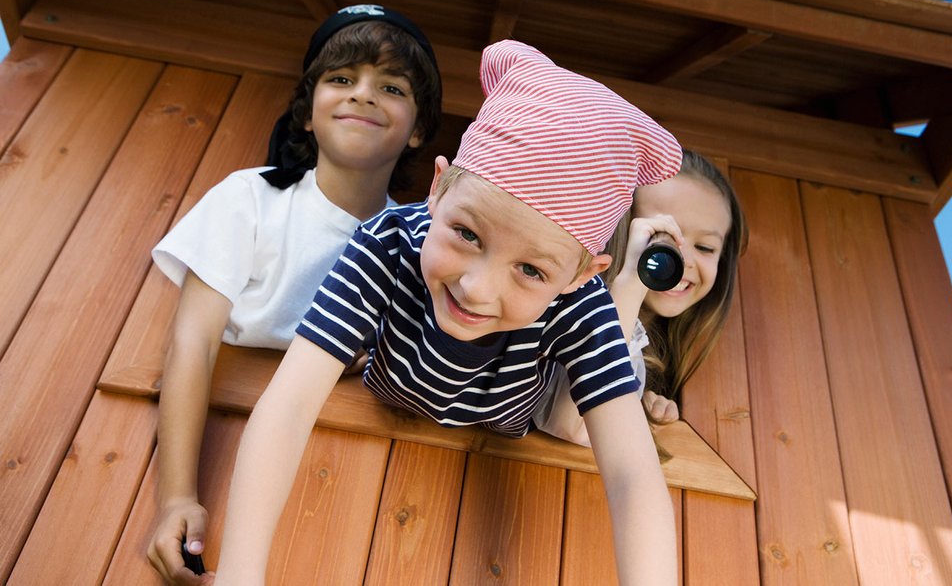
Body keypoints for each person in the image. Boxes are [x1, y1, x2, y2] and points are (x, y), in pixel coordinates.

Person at [212, 40, 683, 585]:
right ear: (437, 189)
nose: (476, 288)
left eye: (531, 271)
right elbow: (289, 405)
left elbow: (631, 475)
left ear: (581, 276)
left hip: (508, 419)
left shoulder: (584, 307)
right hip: (393, 387)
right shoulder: (386, 243)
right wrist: (238, 575)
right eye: (466, 233)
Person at [145, 4, 442, 585]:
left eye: (391, 86)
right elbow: (194, 343)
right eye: (342, 78)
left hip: (358, 494)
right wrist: (176, 497)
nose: (363, 94)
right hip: (222, 455)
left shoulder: (419, 243)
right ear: (307, 113)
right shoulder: (250, 199)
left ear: (418, 130)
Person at [534, 150, 748, 447]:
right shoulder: (566, 311)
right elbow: (571, 425)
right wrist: (632, 282)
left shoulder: (660, 353)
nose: (683, 261)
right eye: (662, 236)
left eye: (705, 247)